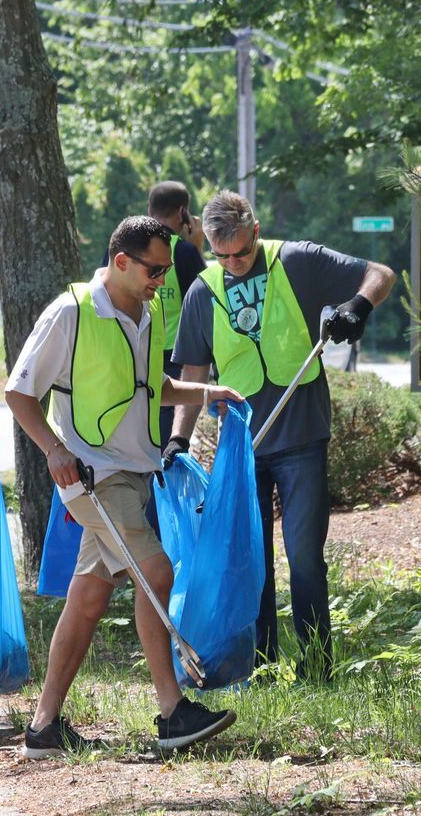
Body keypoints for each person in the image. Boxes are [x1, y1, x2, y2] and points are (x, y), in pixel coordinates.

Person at [6, 215, 244, 757]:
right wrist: (54, 449)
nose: (162, 279)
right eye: (154, 269)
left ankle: (43, 728)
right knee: (155, 573)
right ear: (120, 262)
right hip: (94, 477)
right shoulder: (70, 312)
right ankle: (172, 711)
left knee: (87, 599)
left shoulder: (151, 310)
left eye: (165, 270)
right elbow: (19, 394)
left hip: (138, 473)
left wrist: (208, 394)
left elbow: (152, 387)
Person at [168, 191, 395, 681]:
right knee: (254, 563)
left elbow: (382, 274)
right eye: (219, 253)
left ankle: (316, 669)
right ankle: (263, 666)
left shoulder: (296, 260)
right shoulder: (203, 291)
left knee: (306, 559)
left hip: (302, 436)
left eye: (240, 252)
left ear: (254, 228)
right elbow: (193, 368)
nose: (231, 262)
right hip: (241, 448)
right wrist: (178, 440)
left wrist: (357, 306)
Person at [145, 182, 207, 444]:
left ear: (149, 210)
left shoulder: (127, 246)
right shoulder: (184, 252)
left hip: (136, 350)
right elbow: (205, 295)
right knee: (166, 439)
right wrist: (196, 247)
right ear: (183, 213)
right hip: (175, 357)